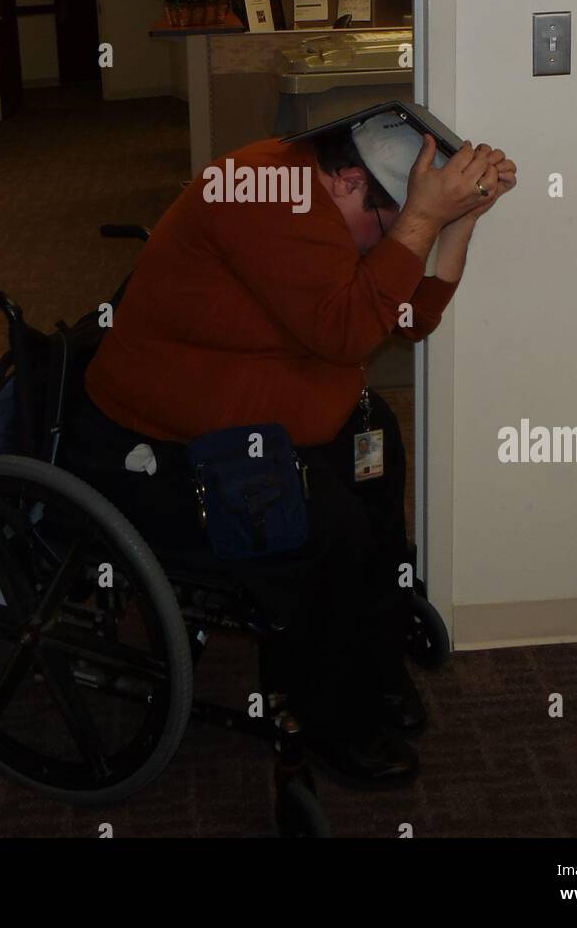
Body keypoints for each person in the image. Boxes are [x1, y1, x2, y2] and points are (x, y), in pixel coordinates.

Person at [62, 108, 516, 786]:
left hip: (272, 406)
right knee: (324, 526)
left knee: (377, 446)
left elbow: (407, 316)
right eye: (383, 228)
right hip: (161, 442)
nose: (387, 248)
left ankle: (374, 661)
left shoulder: (332, 197)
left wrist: (455, 223)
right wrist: (421, 222)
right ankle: (329, 713)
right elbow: (344, 334)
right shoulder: (262, 193)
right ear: (346, 180)